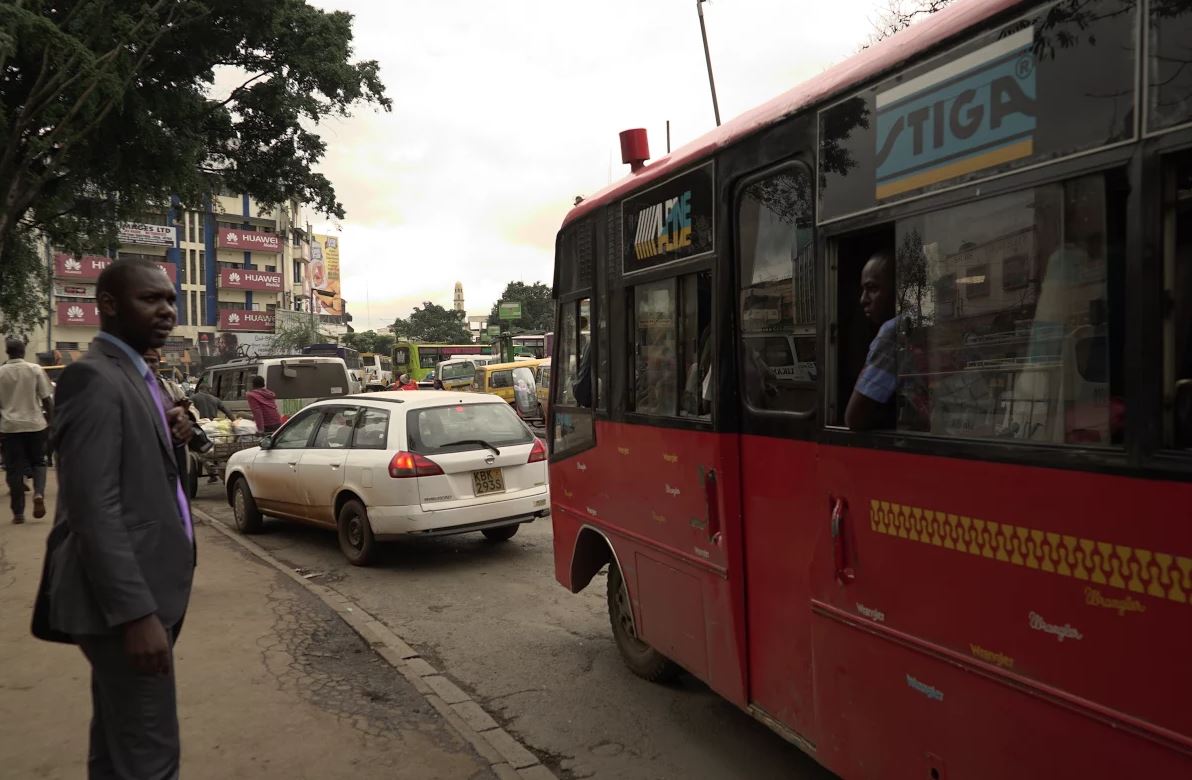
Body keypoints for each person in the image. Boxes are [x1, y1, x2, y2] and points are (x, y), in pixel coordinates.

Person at [31, 258, 195, 779]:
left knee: (118, 745)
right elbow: (91, 507)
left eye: (170, 299)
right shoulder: (91, 377)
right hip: (123, 605)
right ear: (108, 305)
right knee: (150, 758)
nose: (167, 310)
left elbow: (138, 460)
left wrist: (177, 424)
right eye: (151, 299)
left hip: (147, 592)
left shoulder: (138, 374)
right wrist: (134, 615)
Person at [0, 337, 53, 523]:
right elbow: (46, 399)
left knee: (14, 469)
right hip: (35, 425)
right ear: (23, 352)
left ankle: (18, 513)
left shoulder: (0, 373)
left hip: (10, 427)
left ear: (7, 352)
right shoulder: (35, 369)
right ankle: (38, 493)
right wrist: (52, 422)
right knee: (39, 462)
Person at [845, 251, 898, 431]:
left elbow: (854, 419)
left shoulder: (893, 332)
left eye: (873, 289)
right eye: (863, 290)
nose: (863, 300)